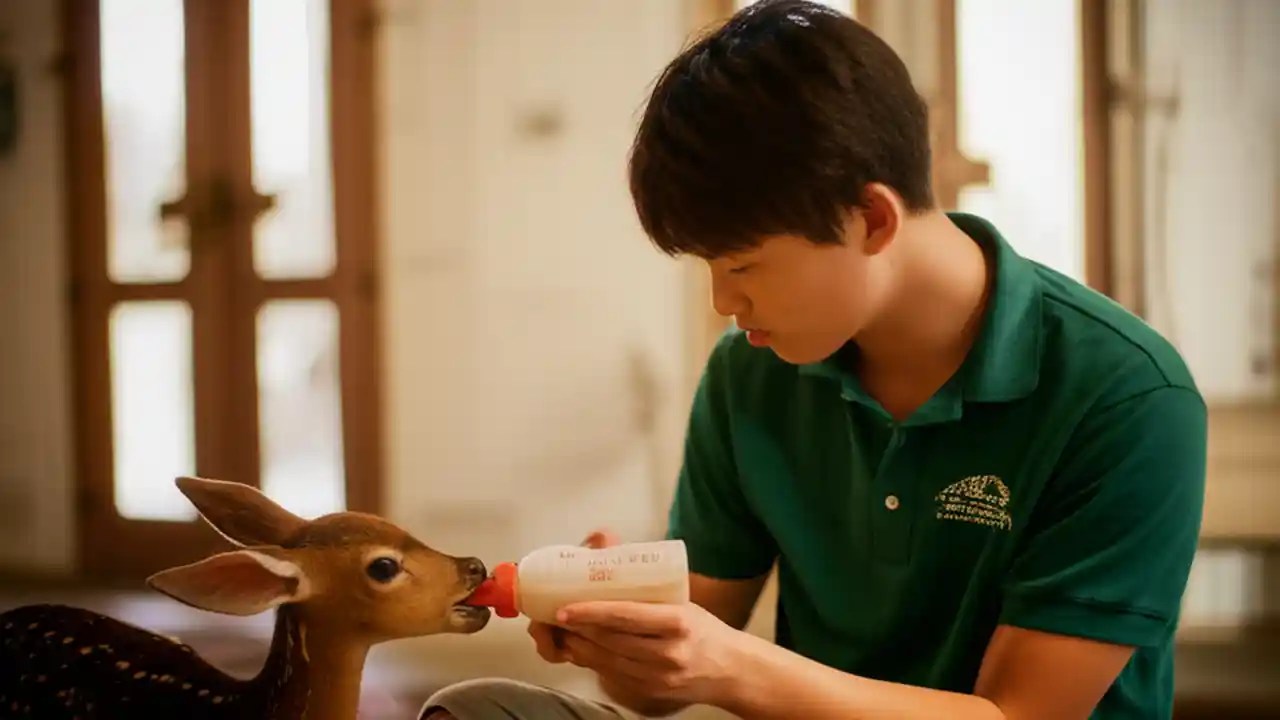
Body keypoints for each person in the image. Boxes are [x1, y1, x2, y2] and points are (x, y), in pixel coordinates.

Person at [421, 1, 1207, 718]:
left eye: (743, 265)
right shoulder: (751, 373)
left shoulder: (1127, 398)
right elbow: (665, 683)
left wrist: (732, 668)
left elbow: (1019, 715)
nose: (723, 303)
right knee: (477, 710)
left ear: (871, 219)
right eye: (709, 268)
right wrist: (620, 641)